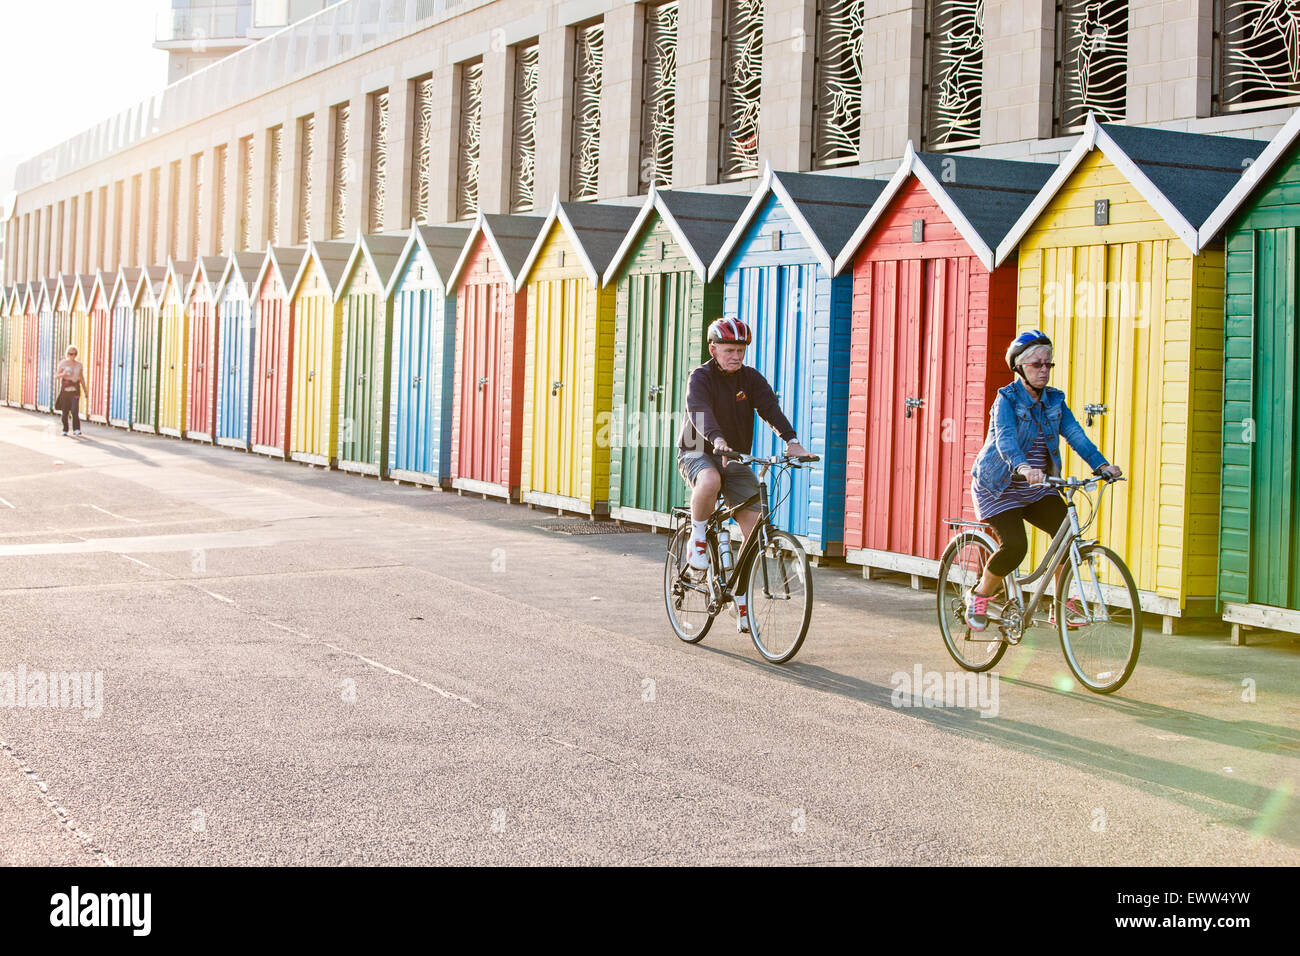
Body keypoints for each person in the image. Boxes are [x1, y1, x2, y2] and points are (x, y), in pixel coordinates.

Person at [966, 330, 1122, 630]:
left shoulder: (1055, 400)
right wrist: (1023, 468)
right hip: (999, 487)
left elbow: (1076, 435)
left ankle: (1060, 605)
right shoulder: (1006, 400)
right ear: (1020, 367)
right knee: (1015, 547)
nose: (1044, 371)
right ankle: (981, 596)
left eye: (1048, 365)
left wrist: (1101, 464)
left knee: (1066, 535)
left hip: (1038, 487)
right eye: (1037, 364)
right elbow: (1007, 442)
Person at [677, 317, 811, 631]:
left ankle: (740, 599)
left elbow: (770, 409)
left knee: (755, 532)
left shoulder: (750, 379)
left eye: (740, 349)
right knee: (709, 480)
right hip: (698, 449)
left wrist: (792, 441)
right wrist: (718, 440)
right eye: (729, 350)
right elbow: (699, 411)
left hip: (733, 457)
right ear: (713, 349)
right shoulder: (700, 377)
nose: (736, 355)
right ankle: (697, 539)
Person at [54, 345, 88, 437]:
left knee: (74, 410)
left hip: (75, 390)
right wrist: (63, 374)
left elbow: (81, 378)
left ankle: (76, 429)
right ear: (67, 354)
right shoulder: (63, 363)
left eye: (74, 354)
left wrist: (85, 390)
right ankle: (65, 429)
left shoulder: (78, 365)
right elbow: (56, 376)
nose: (72, 356)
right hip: (65, 391)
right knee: (65, 412)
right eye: (70, 354)